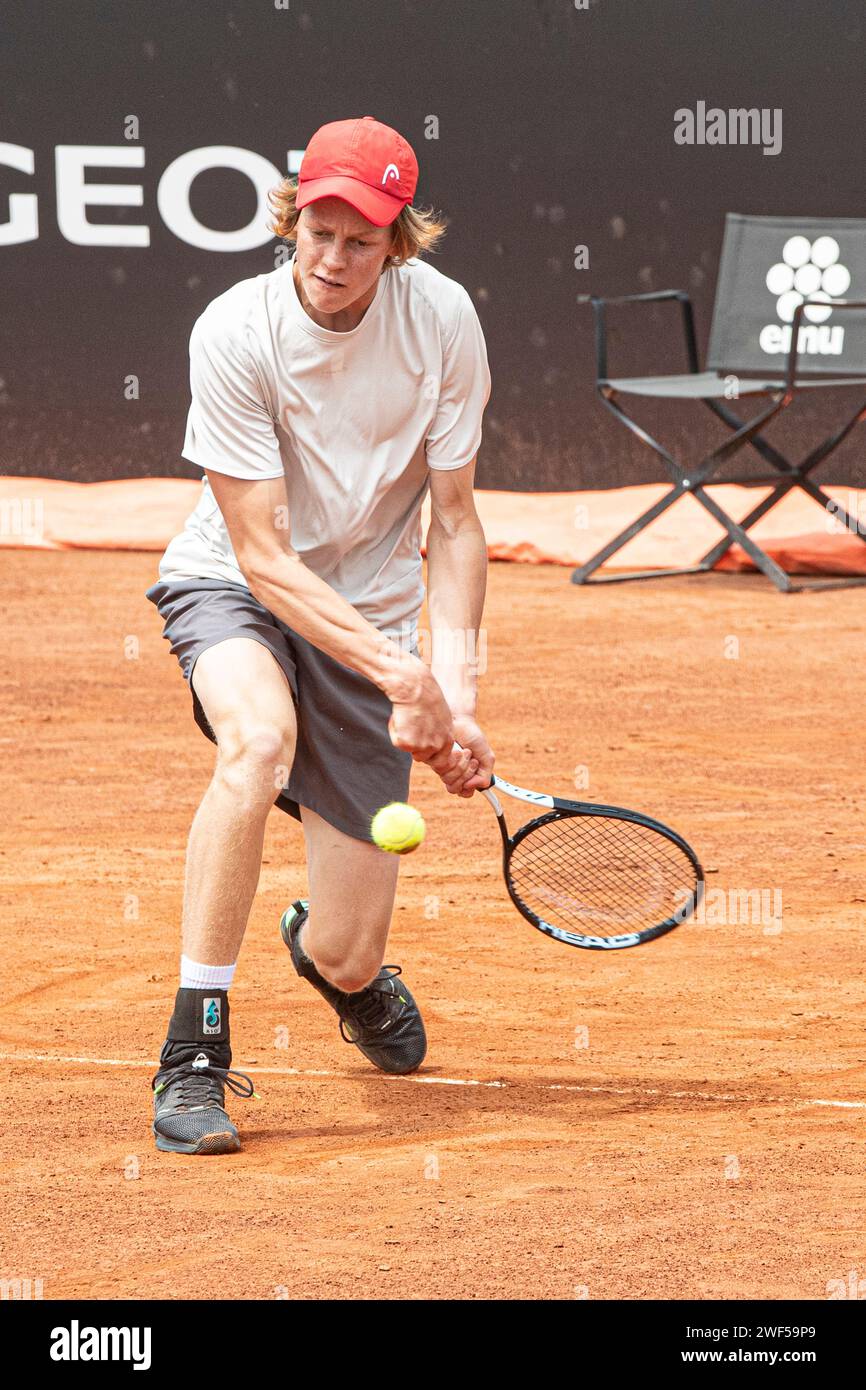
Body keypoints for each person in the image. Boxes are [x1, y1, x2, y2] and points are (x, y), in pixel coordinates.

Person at [145, 116, 494, 1154]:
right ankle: (192, 1054)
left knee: (347, 952)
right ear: (292, 218)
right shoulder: (234, 331)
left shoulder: (443, 322)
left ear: (398, 243)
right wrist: (405, 676)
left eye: (361, 240)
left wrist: (455, 690)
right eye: (319, 231)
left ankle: (333, 962)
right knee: (255, 744)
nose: (334, 259)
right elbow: (261, 555)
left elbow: (458, 522)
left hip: (370, 613)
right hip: (237, 589)